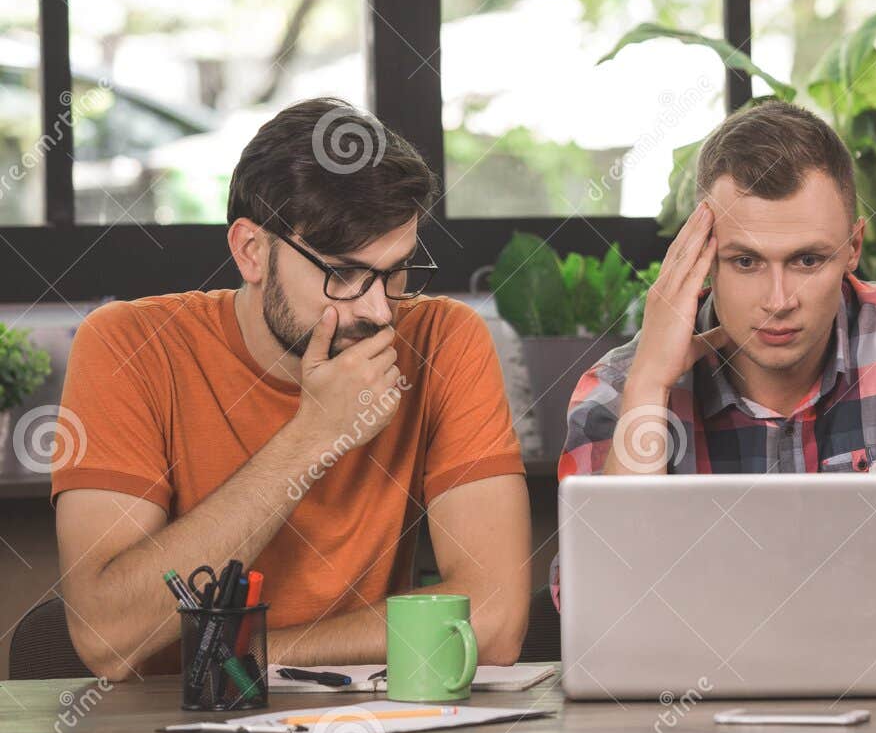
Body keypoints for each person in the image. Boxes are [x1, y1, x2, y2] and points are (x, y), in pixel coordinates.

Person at [559, 100, 876, 686]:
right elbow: (601, 615)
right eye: (745, 262)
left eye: (808, 260)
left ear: (854, 248)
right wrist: (648, 386)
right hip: (684, 730)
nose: (779, 298)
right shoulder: (619, 387)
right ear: (702, 260)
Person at [53, 99, 532, 680]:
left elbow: (495, 620)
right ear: (251, 251)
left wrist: (249, 658)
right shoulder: (127, 345)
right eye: (343, 274)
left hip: (374, 732)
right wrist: (314, 436)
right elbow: (106, 637)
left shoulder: (443, 337)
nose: (379, 310)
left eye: (397, 270)